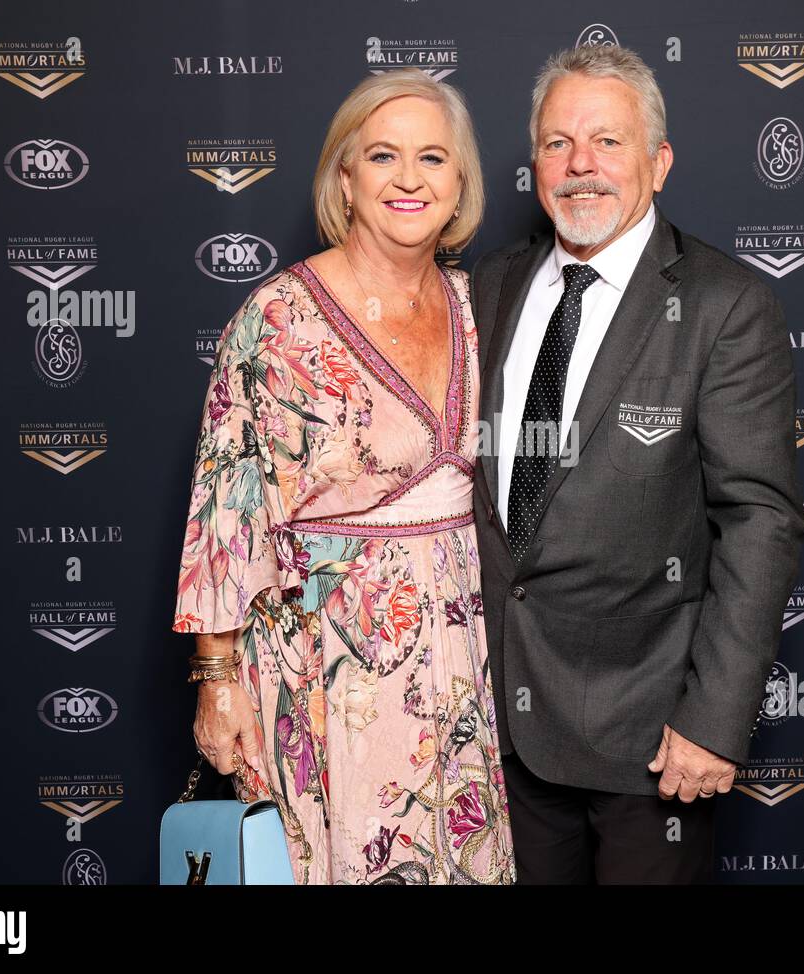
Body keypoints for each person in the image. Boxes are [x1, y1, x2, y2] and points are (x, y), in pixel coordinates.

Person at [470, 44, 804, 883]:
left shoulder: (725, 304)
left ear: (657, 163)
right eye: (557, 143)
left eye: (607, 142)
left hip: (651, 742)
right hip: (492, 729)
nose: (580, 165)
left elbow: (759, 521)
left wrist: (716, 720)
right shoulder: (490, 286)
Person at [172, 67, 515, 885]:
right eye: (383, 156)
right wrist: (217, 685)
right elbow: (226, 516)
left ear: (459, 182)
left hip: (461, 658)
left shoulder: (479, 305)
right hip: (319, 666)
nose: (409, 179)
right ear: (345, 179)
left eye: (433, 158)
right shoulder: (277, 317)